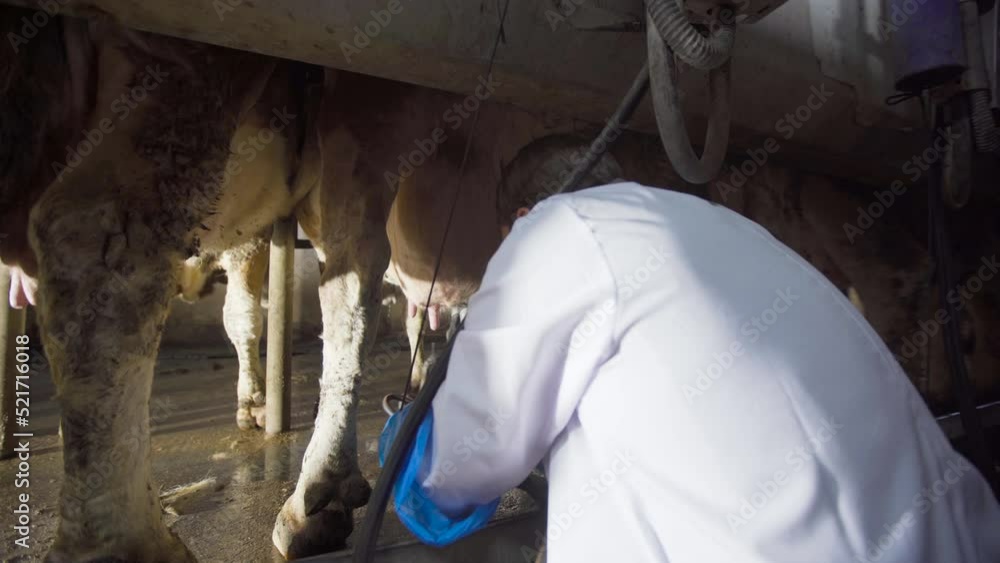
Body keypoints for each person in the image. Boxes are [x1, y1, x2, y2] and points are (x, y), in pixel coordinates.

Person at [378, 136, 1000, 562]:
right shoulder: (722, 229)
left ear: (520, 216)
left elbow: (453, 467)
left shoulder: (559, 228)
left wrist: (405, 443)